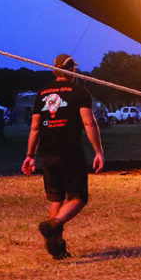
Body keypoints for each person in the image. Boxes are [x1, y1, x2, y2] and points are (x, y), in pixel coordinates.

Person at [20, 54, 104, 260]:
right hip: (70, 152)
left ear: (54, 70)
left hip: (47, 154)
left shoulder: (42, 94)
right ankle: (54, 224)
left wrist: (30, 155)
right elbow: (89, 123)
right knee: (78, 198)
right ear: (72, 71)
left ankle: (56, 246)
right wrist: (99, 152)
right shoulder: (80, 92)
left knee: (56, 198)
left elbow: (34, 128)